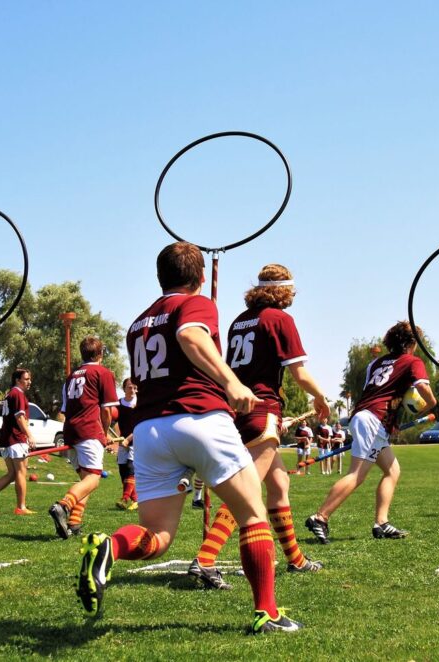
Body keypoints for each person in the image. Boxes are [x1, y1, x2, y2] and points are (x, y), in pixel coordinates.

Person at [76, 241, 300, 634]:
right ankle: (267, 611)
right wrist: (232, 384)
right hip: (200, 418)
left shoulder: (139, 322)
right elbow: (190, 337)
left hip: (150, 431)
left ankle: (111, 546)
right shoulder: (196, 305)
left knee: (157, 537)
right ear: (199, 277)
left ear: (160, 277)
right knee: (252, 514)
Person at [189, 263, 330, 589]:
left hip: (237, 409)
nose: (294, 295)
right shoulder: (280, 319)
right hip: (262, 410)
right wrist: (321, 398)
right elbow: (300, 374)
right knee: (246, 491)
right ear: (282, 289)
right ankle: (205, 560)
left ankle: (296, 559)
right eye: (292, 289)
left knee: (279, 482)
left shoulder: (240, 321)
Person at [306, 321, 436, 544]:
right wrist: (431, 404)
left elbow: (376, 390)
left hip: (366, 416)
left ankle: (381, 523)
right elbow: (423, 388)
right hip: (373, 420)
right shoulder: (413, 361)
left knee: (392, 470)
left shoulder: (376, 363)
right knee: (357, 475)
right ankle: (320, 517)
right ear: (412, 343)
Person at [49, 337, 119, 539]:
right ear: (101, 353)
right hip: (89, 429)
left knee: (85, 479)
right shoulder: (102, 373)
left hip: (70, 429)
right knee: (93, 479)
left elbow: (64, 409)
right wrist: (104, 433)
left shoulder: (71, 377)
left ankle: (74, 523)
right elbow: (107, 411)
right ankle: (63, 506)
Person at [0, 368, 35, 516]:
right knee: (21, 473)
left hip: (7, 438)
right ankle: (21, 507)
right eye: (27, 379)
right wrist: (29, 435)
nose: (29, 382)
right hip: (16, 438)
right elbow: (20, 418)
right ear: (18, 380)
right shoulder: (18, 394)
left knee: (12, 473)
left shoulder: (10, 393)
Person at [114, 378, 138, 511]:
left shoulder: (139, 404)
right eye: (130, 387)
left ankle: (124, 499)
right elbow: (110, 419)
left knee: (130, 468)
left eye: (135, 387)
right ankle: (135, 500)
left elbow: (139, 426)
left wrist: (128, 439)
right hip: (123, 442)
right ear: (124, 389)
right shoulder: (118, 404)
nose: (133, 390)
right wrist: (110, 436)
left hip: (136, 440)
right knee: (123, 471)